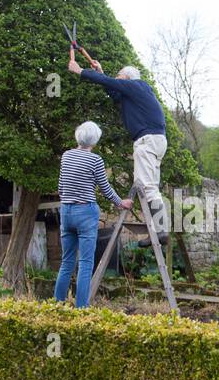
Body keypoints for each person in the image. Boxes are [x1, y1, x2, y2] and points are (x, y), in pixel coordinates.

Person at [67, 48, 169, 244]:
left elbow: (111, 84)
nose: (117, 78)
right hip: (155, 141)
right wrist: (100, 72)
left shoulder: (137, 85)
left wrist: (80, 71)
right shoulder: (137, 93)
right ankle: (158, 229)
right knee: (151, 186)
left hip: (147, 141)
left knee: (147, 186)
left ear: (127, 78)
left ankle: (161, 230)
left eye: (119, 76)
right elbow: (114, 92)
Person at [54, 121, 132, 308]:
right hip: (85, 212)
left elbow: (60, 187)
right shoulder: (95, 160)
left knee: (66, 262)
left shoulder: (66, 156)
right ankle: (82, 309)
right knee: (86, 263)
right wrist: (120, 202)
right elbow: (105, 188)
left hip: (66, 210)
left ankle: (56, 305)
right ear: (94, 141)